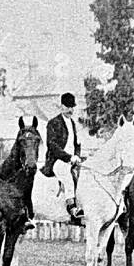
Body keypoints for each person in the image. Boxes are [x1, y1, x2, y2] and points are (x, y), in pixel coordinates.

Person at [43, 92, 84, 225]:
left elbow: (76, 143)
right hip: (57, 161)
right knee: (67, 175)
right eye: (67, 106)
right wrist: (68, 157)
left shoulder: (72, 123)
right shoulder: (53, 123)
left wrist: (77, 155)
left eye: (72, 107)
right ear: (61, 106)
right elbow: (52, 145)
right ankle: (72, 208)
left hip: (72, 160)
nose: (70, 110)